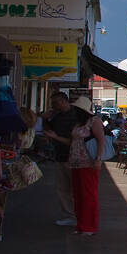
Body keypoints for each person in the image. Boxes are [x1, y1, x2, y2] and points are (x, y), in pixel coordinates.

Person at [68, 96, 106, 237]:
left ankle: (89, 225)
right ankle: (81, 224)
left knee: (88, 195)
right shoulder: (79, 123)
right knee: (78, 195)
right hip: (76, 162)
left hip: (88, 163)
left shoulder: (94, 122)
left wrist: (98, 159)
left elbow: (101, 140)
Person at [42, 91, 78, 226]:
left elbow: (73, 141)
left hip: (72, 157)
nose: (53, 106)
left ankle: (76, 215)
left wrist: (56, 138)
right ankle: (69, 215)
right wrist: (45, 119)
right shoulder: (57, 116)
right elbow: (49, 130)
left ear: (63, 101)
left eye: (55, 103)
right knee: (62, 188)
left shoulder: (74, 116)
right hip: (60, 155)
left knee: (73, 188)